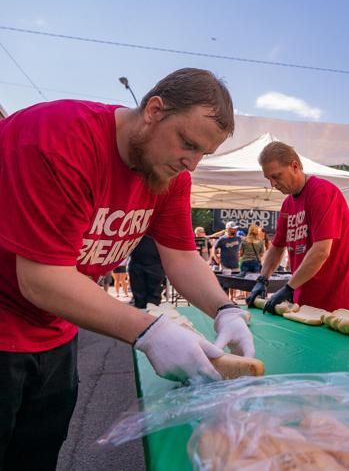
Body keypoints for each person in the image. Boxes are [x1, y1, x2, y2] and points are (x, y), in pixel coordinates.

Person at [0, 68, 256, 470]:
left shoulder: (169, 172)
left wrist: (225, 310)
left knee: (35, 457)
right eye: (187, 143)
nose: (191, 164)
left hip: (54, 331)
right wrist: (149, 332)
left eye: (203, 153)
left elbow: (183, 256)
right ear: (154, 110)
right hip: (5, 318)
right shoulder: (57, 139)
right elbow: (40, 279)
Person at [246, 141, 349, 313]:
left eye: (276, 176)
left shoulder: (322, 193)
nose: (272, 184)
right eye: (268, 178)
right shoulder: (288, 204)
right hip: (305, 301)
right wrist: (262, 280)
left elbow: (321, 250)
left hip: (336, 303)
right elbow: (277, 247)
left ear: (294, 166)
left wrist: (288, 288)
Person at [128, 236, 166, 309]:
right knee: (139, 296)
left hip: (154, 264)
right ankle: (142, 314)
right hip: (137, 262)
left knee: (154, 296)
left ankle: (152, 314)